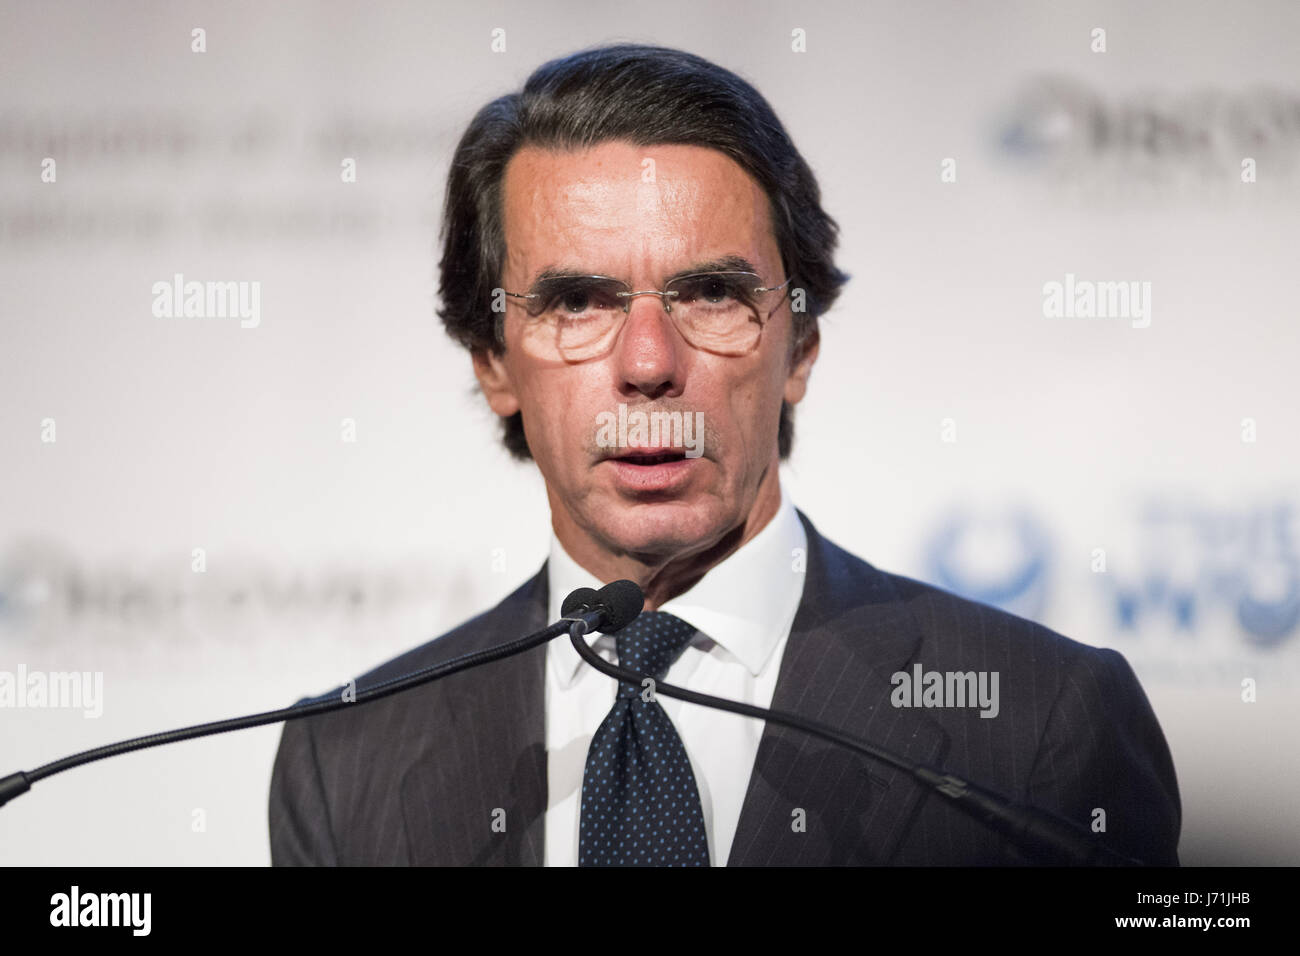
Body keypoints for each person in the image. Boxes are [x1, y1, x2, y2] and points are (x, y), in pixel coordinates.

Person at [269, 43, 1180, 866]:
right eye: (578, 303)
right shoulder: (350, 765)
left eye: (710, 295)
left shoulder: (1039, 724)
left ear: (801, 349)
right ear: (495, 365)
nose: (649, 365)